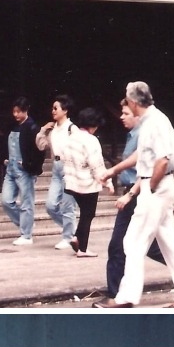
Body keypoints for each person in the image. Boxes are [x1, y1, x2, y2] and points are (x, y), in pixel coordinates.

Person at [94, 82, 174, 309]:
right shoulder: (154, 120)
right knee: (169, 242)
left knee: (133, 241)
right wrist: (114, 170)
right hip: (160, 186)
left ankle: (126, 297)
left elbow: (162, 160)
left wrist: (150, 186)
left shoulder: (153, 123)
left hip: (155, 186)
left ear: (133, 102)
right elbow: (143, 154)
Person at [62, 107, 108, 257]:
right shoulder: (91, 140)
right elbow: (96, 164)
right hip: (87, 183)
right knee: (88, 214)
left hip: (72, 181)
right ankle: (82, 248)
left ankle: (77, 238)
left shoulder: (71, 138)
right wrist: (107, 181)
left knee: (85, 213)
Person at [0, 96, 43, 246]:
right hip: (11, 168)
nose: (16, 114)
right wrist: (4, 159)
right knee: (6, 201)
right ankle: (27, 224)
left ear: (26, 110)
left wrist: (30, 166)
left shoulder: (33, 127)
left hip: (24, 170)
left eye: (19, 111)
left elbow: (39, 151)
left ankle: (26, 235)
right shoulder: (12, 125)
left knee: (26, 202)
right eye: (14, 111)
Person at [35, 94, 78, 250]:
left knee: (68, 206)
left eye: (56, 108)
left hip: (69, 167)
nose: (53, 111)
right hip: (56, 167)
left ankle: (68, 237)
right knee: (50, 205)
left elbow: (79, 148)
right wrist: (43, 130)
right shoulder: (52, 129)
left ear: (65, 110)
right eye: (52, 108)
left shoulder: (72, 129)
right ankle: (72, 231)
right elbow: (41, 146)